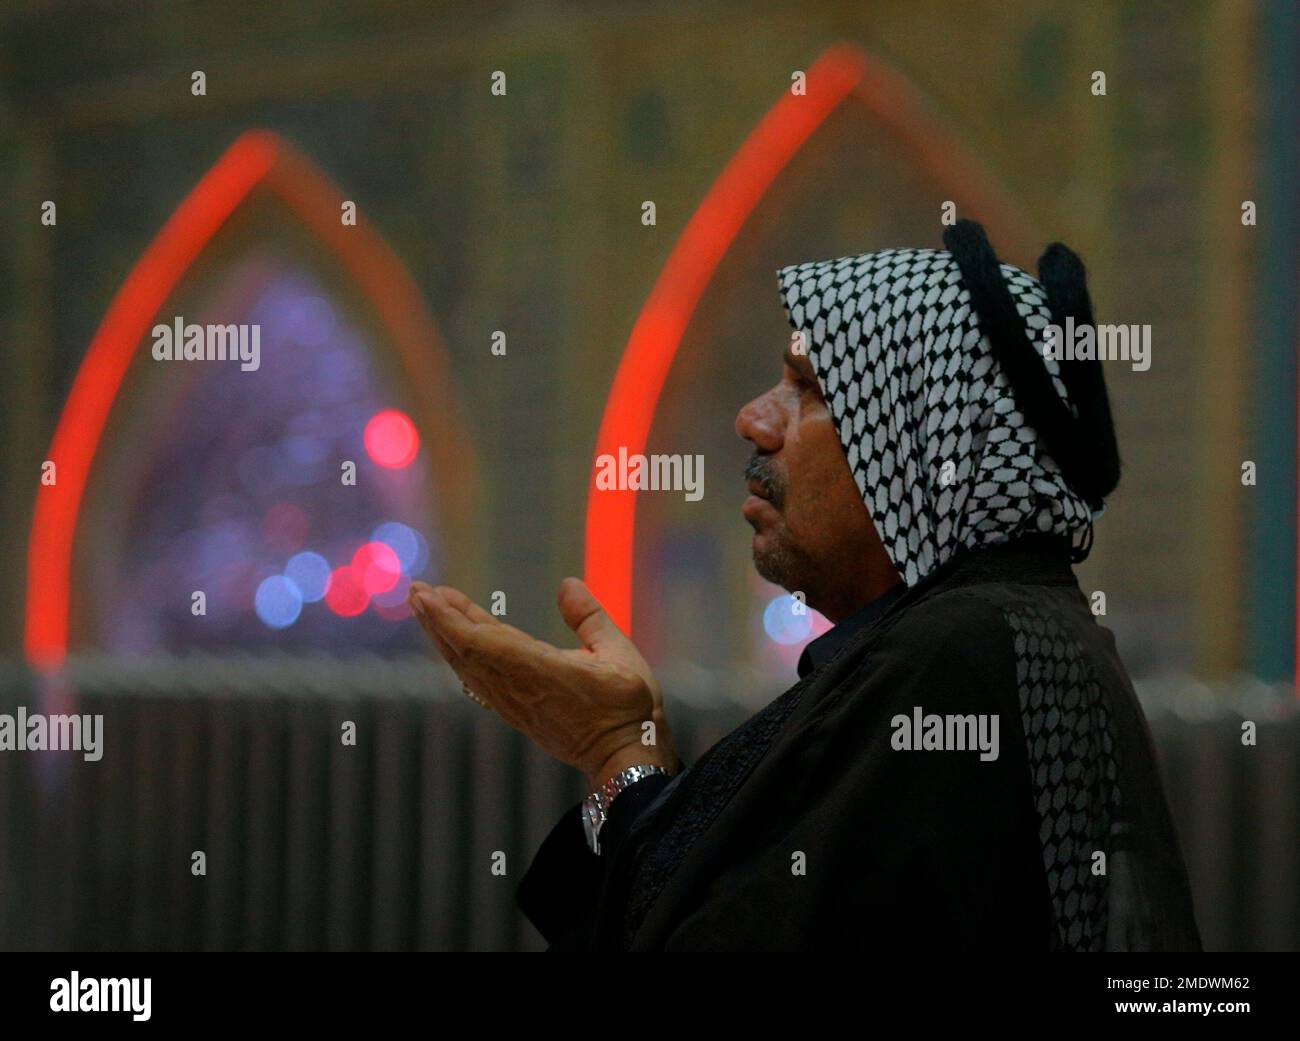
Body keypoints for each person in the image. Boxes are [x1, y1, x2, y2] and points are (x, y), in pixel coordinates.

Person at [408, 219, 1201, 952]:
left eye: (810, 389)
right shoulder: (987, 634)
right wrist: (619, 747)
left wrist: (617, 749)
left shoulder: (962, 659)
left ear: (924, 441)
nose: (755, 419)